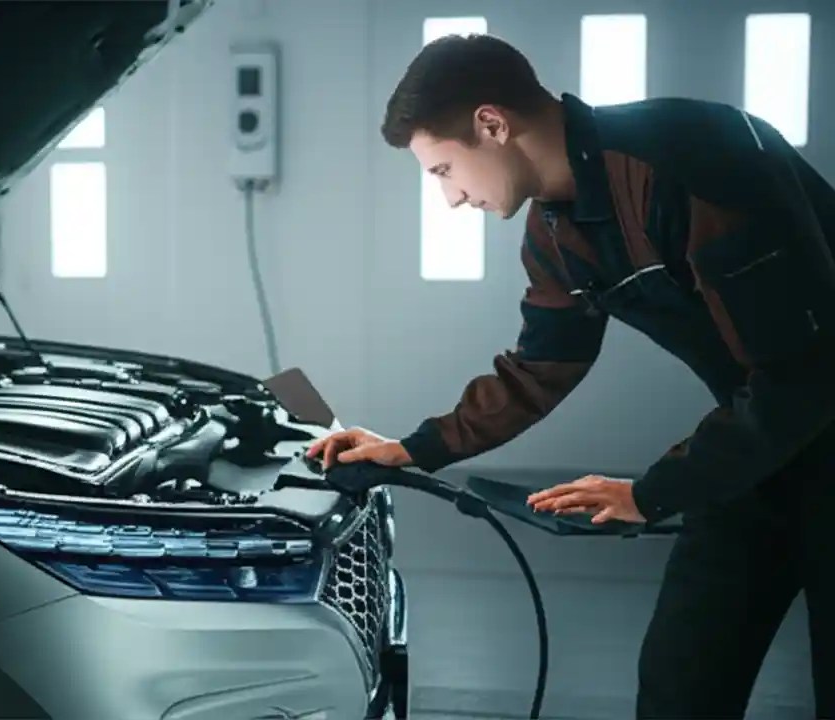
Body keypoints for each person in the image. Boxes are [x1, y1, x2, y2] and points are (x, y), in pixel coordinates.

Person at [305, 33, 834, 719]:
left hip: (804, 418)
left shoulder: (691, 157)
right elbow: (541, 366)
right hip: (754, 451)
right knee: (681, 684)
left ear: (491, 125)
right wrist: (414, 448)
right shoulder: (555, 232)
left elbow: (804, 373)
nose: (450, 199)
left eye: (441, 170)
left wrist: (652, 492)